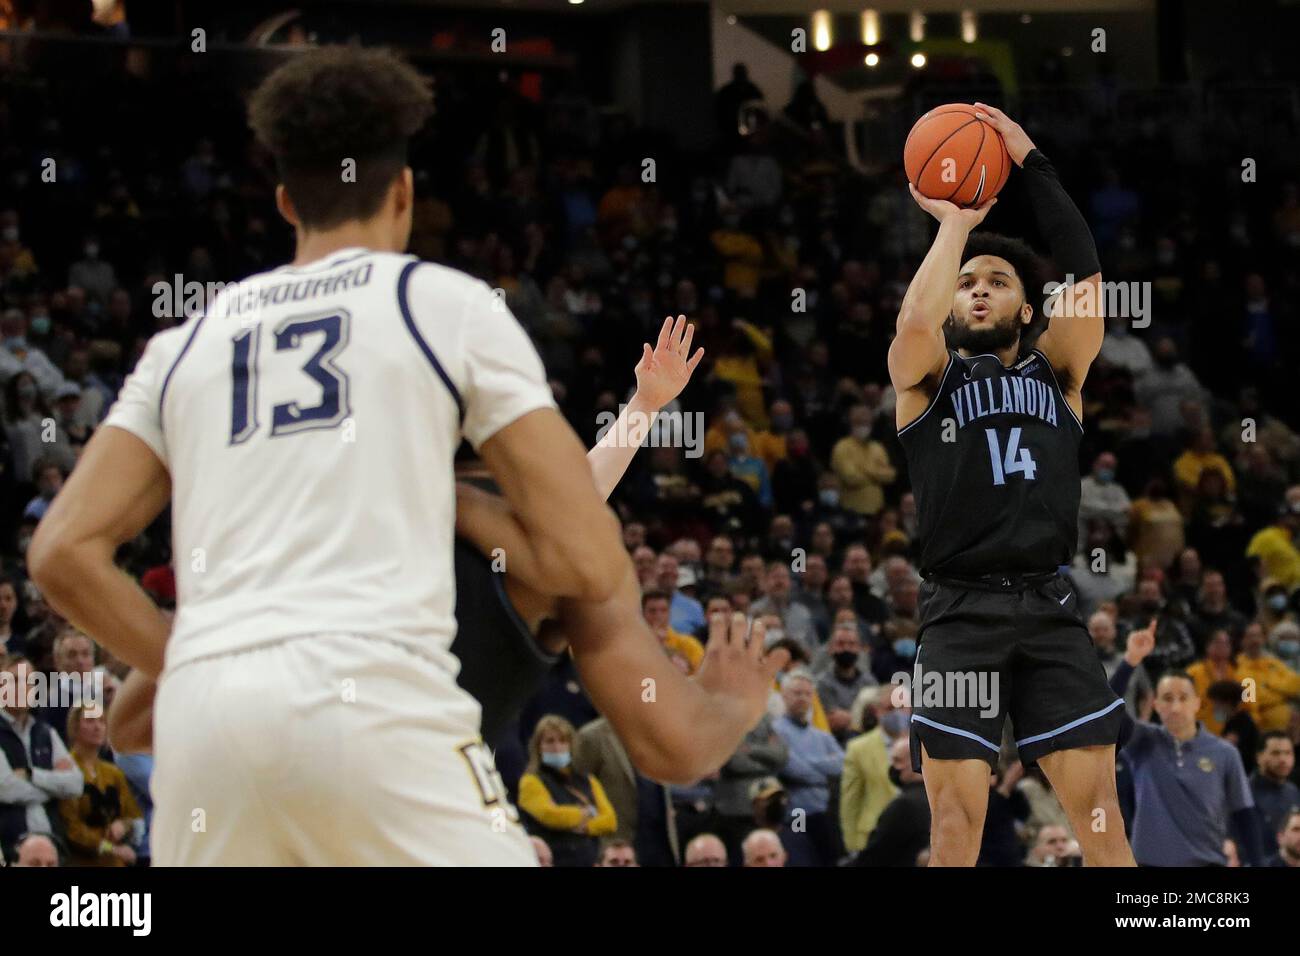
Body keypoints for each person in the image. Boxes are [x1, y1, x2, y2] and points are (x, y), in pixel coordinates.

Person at [29, 47, 632, 866]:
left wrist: (193, 659)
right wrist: (454, 497)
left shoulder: (185, 343)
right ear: (406, 191)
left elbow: (61, 553)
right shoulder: (444, 306)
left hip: (210, 732)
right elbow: (586, 561)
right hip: (377, 707)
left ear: (284, 201)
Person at [886, 102, 1132, 866]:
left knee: (1098, 815)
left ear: (1028, 307)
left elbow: (1087, 276)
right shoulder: (926, 380)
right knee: (958, 821)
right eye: (967, 284)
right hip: (958, 611)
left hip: (1050, 606)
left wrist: (1032, 163)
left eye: (997, 281)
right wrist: (955, 224)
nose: (980, 290)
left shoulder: (1058, 373)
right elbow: (914, 327)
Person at [1110, 621, 1269, 866]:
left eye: (1183, 698)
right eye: (1167, 698)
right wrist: (1131, 660)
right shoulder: (1142, 742)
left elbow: (1244, 815)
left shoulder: (1225, 753)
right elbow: (1108, 709)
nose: (1175, 707)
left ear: (1197, 703)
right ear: (1155, 706)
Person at [0, 656, 83, 855]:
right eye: (15, 681)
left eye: (29, 681)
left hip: (53, 845)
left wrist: (31, 775)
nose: (23, 688)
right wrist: (55, 788)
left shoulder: (46, 732)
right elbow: (6, 789)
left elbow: (76, 784)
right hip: (9, 847)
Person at [517, 715, 617, 868]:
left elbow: (610, 820)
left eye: (563, 741)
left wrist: (586, 827)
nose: (557, 747)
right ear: (538, 746)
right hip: (554, 859)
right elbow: (551, 816)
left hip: (588, 859)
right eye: (550, 741)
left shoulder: (587, 780)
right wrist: (587, 812)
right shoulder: (531, 781)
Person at [58, 707, 142, 867]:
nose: (97, 727)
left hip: (115, 861)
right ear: (75, 727)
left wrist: (124, 825)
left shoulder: (113, 772)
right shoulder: (66, 768)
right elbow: (71, 829)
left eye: (102, 721)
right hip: (80, 860)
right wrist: (110, 848)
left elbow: (133, 814)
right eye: (90, 721)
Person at [1250, 732, 1300, 851]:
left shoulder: (1293, 791)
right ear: (1259, 757)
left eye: (1288, 753)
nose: (1283, 759)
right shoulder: (1244, 793)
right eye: (1275, 753)